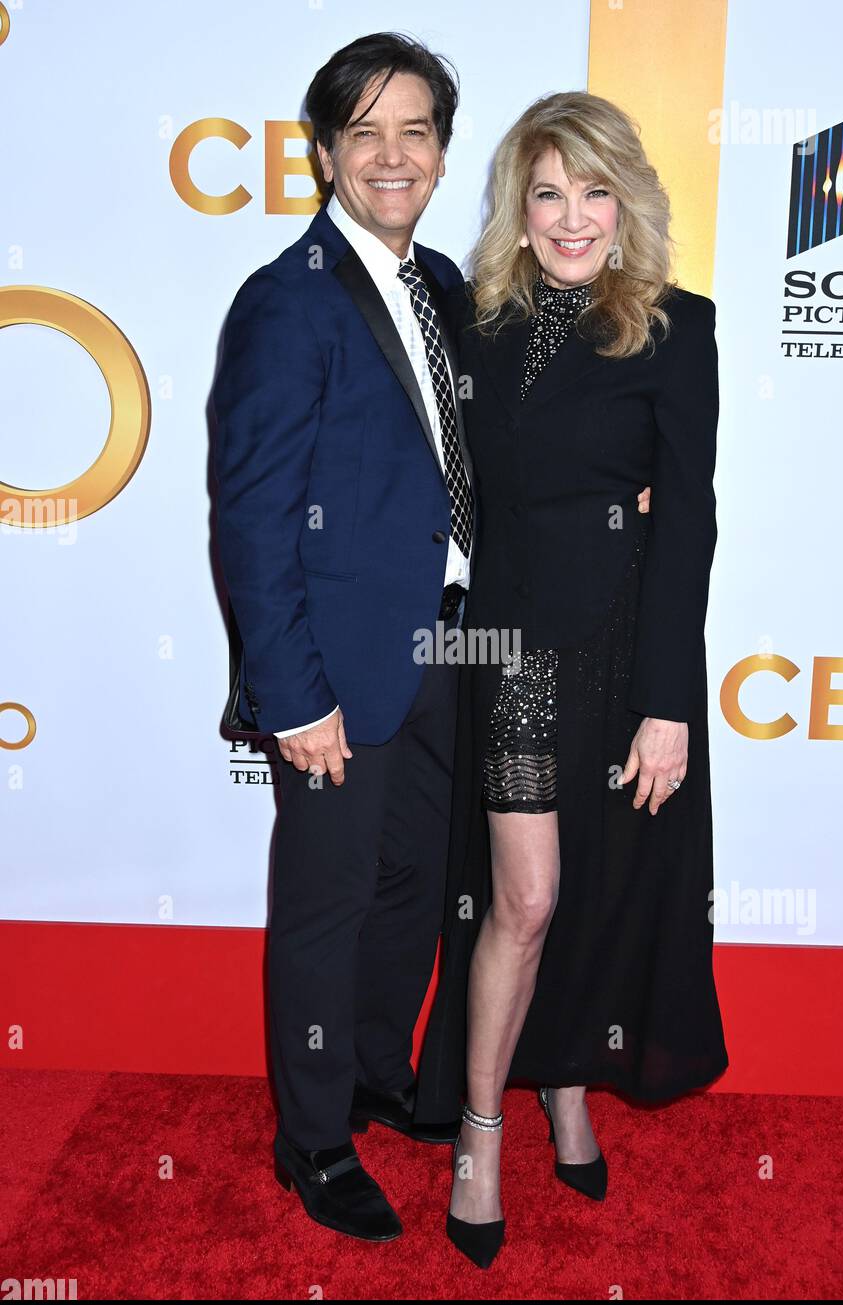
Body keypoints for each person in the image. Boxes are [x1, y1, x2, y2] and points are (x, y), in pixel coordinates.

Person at [413, 91, 730, 1268]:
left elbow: (689, 520)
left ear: (627, 200)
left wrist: (668, 704)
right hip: (508, 654)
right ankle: (482, 1134)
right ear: (519, 203)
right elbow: (445, 483)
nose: (571, 216)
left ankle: (569, 1087)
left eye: (593, 191)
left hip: (623, 656)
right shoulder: (470, 322)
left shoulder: (674, 327)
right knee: (526, 900)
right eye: (547, 192)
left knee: (596, 887)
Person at [211, 33, 474, 1243]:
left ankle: (374, 1071)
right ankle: (313, 1137)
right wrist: (292, 694)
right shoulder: (285, 300)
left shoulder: (447, 292)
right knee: (324, 908)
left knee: (412, 890)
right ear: (323, 153)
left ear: (438, 152)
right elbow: (253, 520)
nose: (390, 154)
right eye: (363, 131)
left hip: (447, 658)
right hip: (334, 676)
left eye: (412, 131)